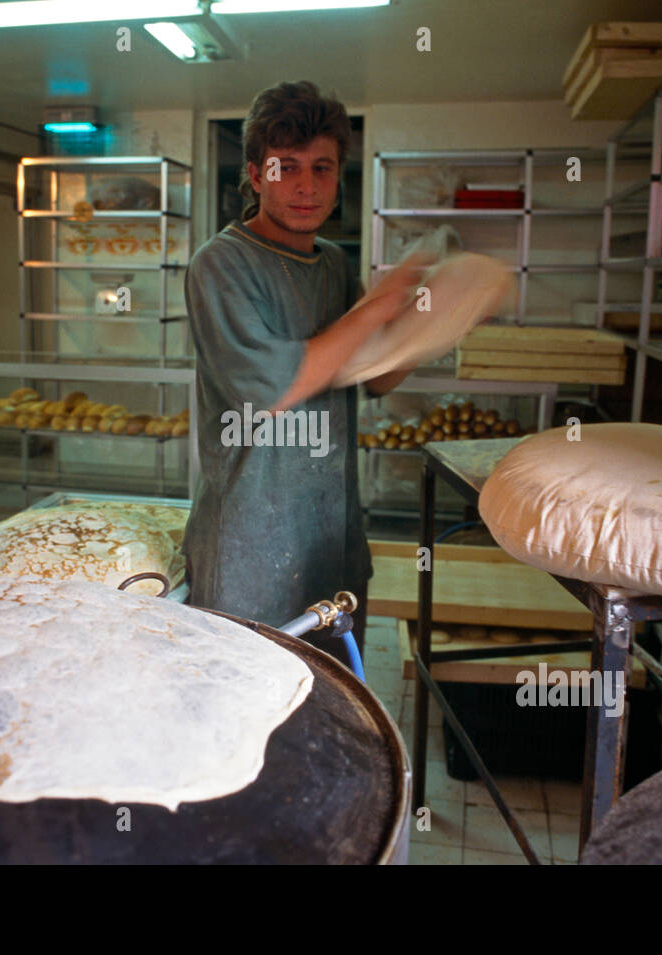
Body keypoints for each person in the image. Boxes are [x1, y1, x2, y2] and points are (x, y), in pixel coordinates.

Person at [183, 80, 428, 666]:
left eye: (322, 168)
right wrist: (376, 307)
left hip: (329, 543)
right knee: (252, 726)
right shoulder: (221, 264)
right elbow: (271, 387)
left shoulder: (336, 266)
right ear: (254, 173)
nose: (305, 186)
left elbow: (376, 379)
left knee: (332, 720)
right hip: (247, 550)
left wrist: (432, 317)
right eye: (285, 167)